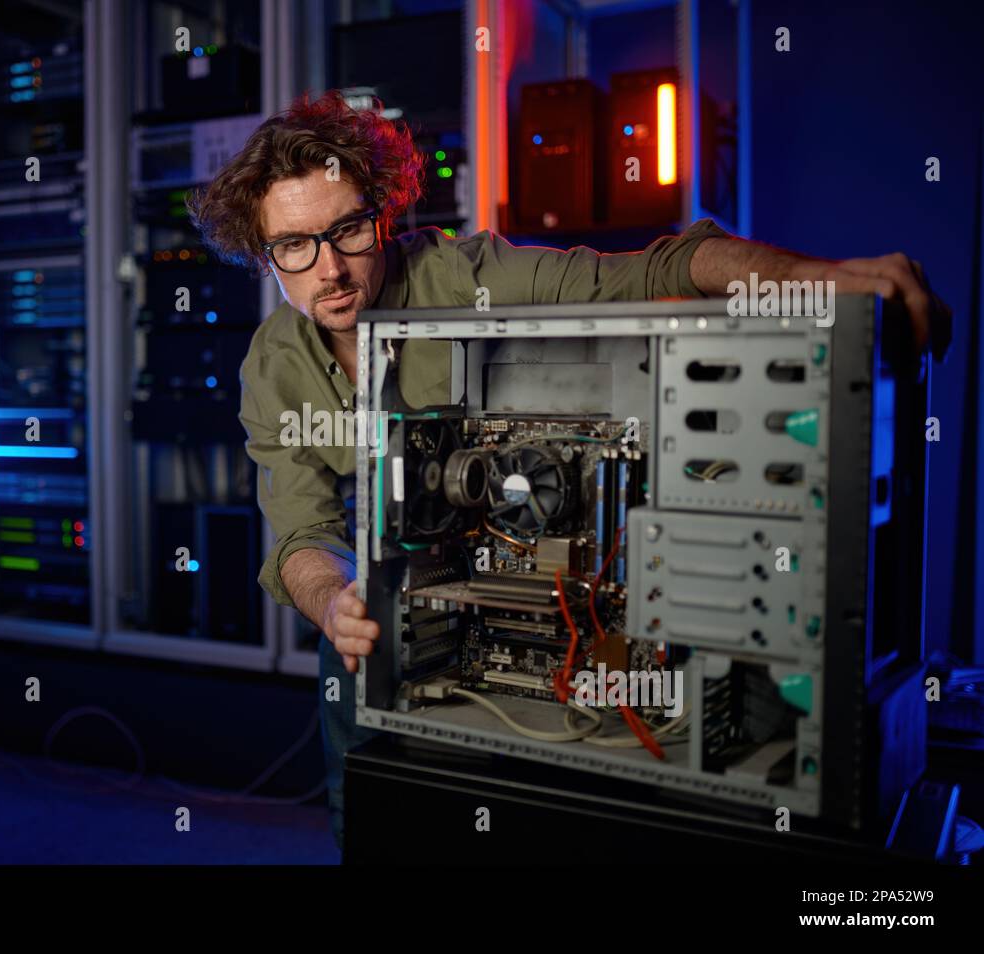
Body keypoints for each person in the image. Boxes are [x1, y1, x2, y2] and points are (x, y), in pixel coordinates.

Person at [187, 89, 949, 852]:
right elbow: (301, 532)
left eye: (347, 229)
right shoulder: (275, 364)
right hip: (396, 600)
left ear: (383, 213)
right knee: (365, 732)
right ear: (263, 254)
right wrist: (331, 603)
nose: (330, 269)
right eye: (294, 246)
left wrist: (811, 281)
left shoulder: (465, 276)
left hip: (549, 586)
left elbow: (657, 270)